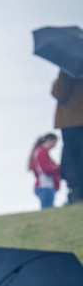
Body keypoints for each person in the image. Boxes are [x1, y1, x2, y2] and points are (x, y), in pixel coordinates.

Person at [52, 71, 83, 204]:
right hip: (73, 122)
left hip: (71, 121)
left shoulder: (68, 70)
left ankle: (76, 192)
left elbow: (59, 93)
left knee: (73, 157)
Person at [28, 132, 61, 209]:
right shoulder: (41, 152)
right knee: (47, 209)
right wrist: (58, 167)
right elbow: (46, 169)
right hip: (45, 186)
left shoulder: (40, 152)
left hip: (46, 186)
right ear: (50, 140)